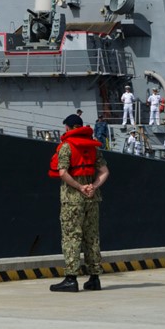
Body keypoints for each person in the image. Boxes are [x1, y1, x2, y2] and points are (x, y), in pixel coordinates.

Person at [48, 113, 109, 293]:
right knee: (92, 237)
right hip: (92, 198)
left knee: (72, 236)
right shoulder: (94, 148)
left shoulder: (66, 147)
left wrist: (80, 187)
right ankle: (94, 278)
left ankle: (71, 278)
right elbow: (105, 171)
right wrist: (93, 186)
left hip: (72, 200)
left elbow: (62, 173)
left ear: (68, 127)